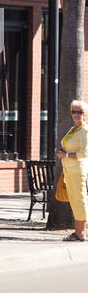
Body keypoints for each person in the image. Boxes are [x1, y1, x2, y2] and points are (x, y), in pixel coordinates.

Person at [57, 98, 88, 241]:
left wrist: (66, 154)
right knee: (74, 201)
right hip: (68, 169)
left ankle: (81, 232)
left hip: (77, 170)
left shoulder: (84, 131)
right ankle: (78, 231)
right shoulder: (72, 129)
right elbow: (68, 145)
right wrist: (62, 151)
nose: (76, 114)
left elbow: (83, 153)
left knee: (79, 199)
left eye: (79, 112)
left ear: (85, 114)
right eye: (74, 112)